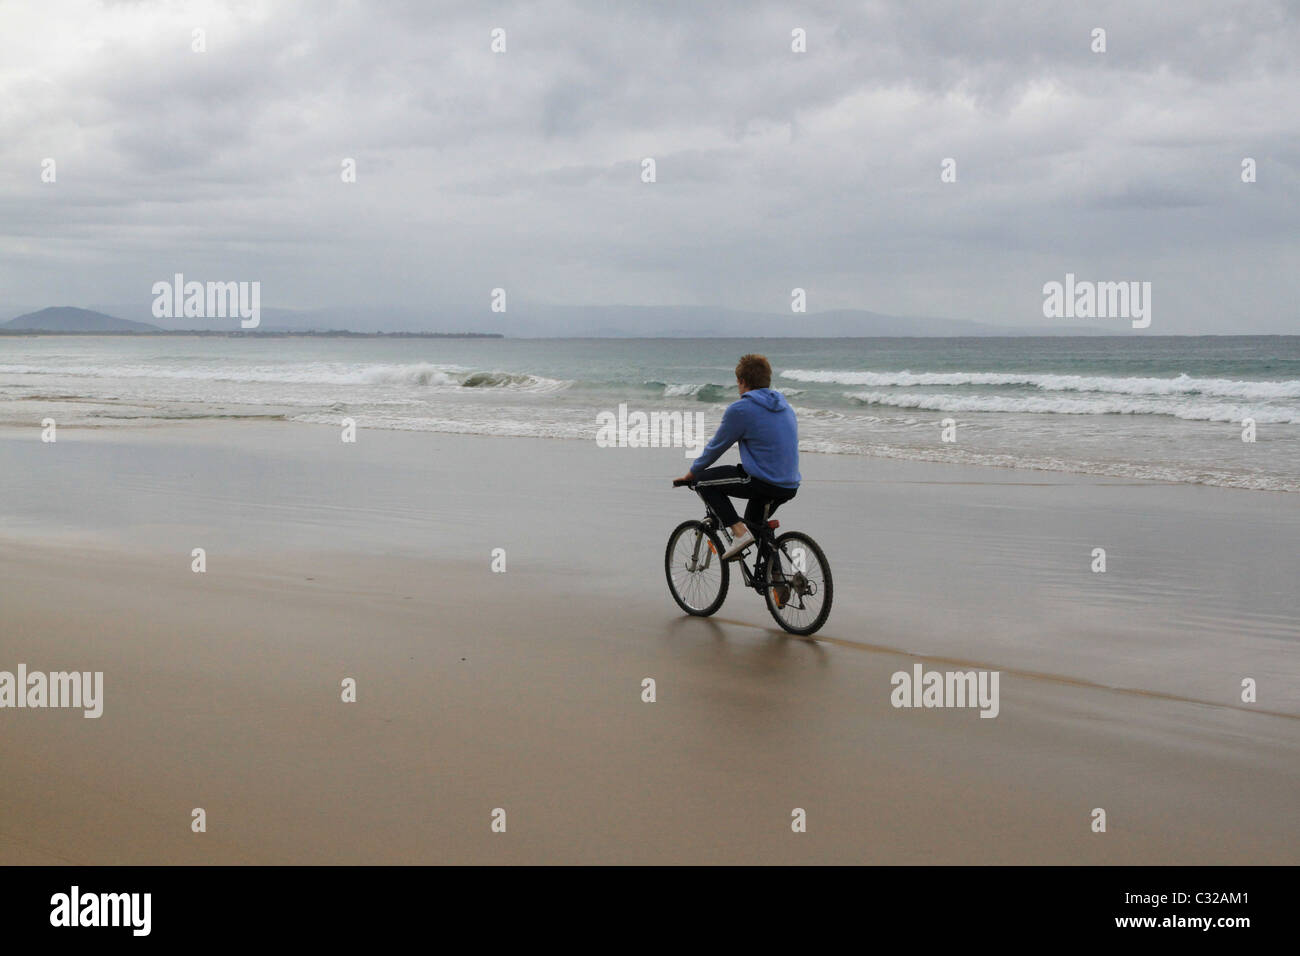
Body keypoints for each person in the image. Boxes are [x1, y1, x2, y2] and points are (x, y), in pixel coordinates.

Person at [675, 353, 800, 560]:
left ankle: (739, 534)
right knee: (758, 528)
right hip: (789, 484)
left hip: (762, 481)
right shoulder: (786, 407)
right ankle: (777, 581)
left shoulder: (741, 409)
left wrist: (691, 473)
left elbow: (716, 447)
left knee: (703, 481)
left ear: (742, 382)